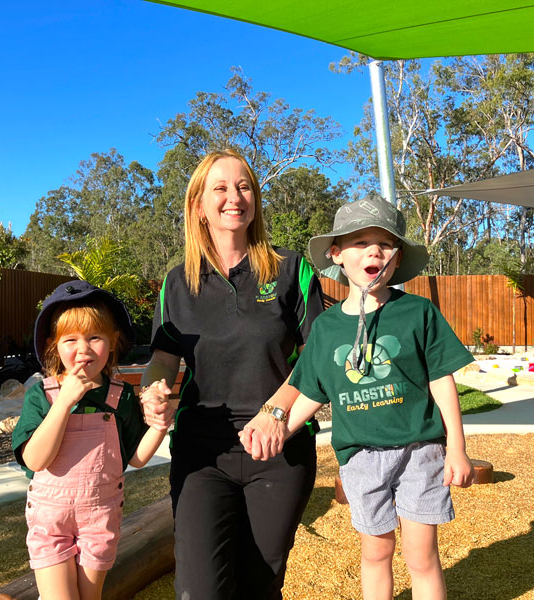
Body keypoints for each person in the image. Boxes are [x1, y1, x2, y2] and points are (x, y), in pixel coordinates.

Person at [140, 148, 324, 599]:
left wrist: (276, 413)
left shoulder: (291, 269)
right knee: (200, 590)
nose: (234, 197)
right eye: (220, 188)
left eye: (244, 187)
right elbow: (163, 359)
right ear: (199, 206)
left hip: (280, 449)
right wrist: (153, 390)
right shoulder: (177, 283)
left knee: (259, 586)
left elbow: (319, 357)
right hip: (202, 454)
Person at [282, 195, 475, 599]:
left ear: (397, 257)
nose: (374, 251)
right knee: (376, 553)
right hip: (360, 458)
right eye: (360, 242)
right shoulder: (326, 327)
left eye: (386, 244)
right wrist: (277, 431)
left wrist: (457, 449)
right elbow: (312, 392)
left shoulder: (419, 313)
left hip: (420, 452)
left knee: (421, 557)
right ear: (337, 254)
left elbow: (442, 382)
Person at [11, 280, 171, 600]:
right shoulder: (42, 396)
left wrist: (159, 425)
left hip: (100, 518)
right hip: (51, 521)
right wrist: (64, 402)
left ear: (113, 342)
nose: (83, 349)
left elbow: (136, 458)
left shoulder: (120, 396)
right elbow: (35, 460)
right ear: (54, 346)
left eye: (95, 337)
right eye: (71, 339)